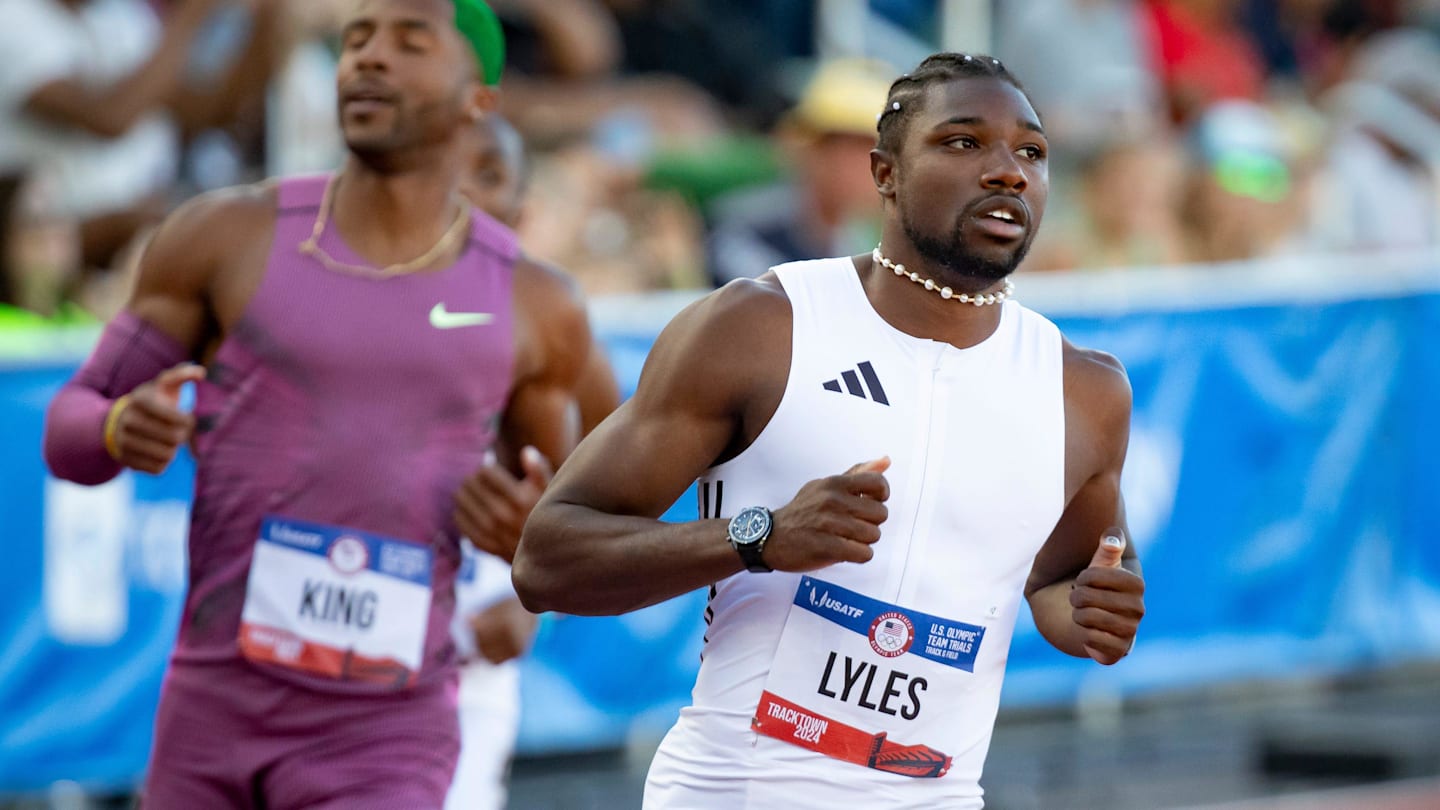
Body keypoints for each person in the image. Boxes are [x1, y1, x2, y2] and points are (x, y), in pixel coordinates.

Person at [514, 53, 1147, 808]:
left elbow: (1061, 582)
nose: (1008, 171)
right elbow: (547, 559)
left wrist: (1090, 614)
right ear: (883, 173)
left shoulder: (1085, 391)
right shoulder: (762, 326)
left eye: (1032, 153)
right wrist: (758, 538)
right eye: (963, 142)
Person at [41, 2, 594, 807]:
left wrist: (527, 552)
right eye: (357, 38)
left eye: (411, 42)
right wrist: (121, 427)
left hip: (387, 740)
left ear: (481, 98)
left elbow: (578, 530)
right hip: (209, 718)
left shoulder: (538, 306)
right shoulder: (225, 236)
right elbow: (69, 428)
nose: (370, 59)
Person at [446, 111, 621, 810]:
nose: (461, 190)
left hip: (459, 660)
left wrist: (531, 601)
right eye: (446, 167)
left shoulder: (547, 322)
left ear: (519, 212)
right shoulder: (328, 300)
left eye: (487, 175)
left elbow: (605, 498)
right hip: (305, 646)